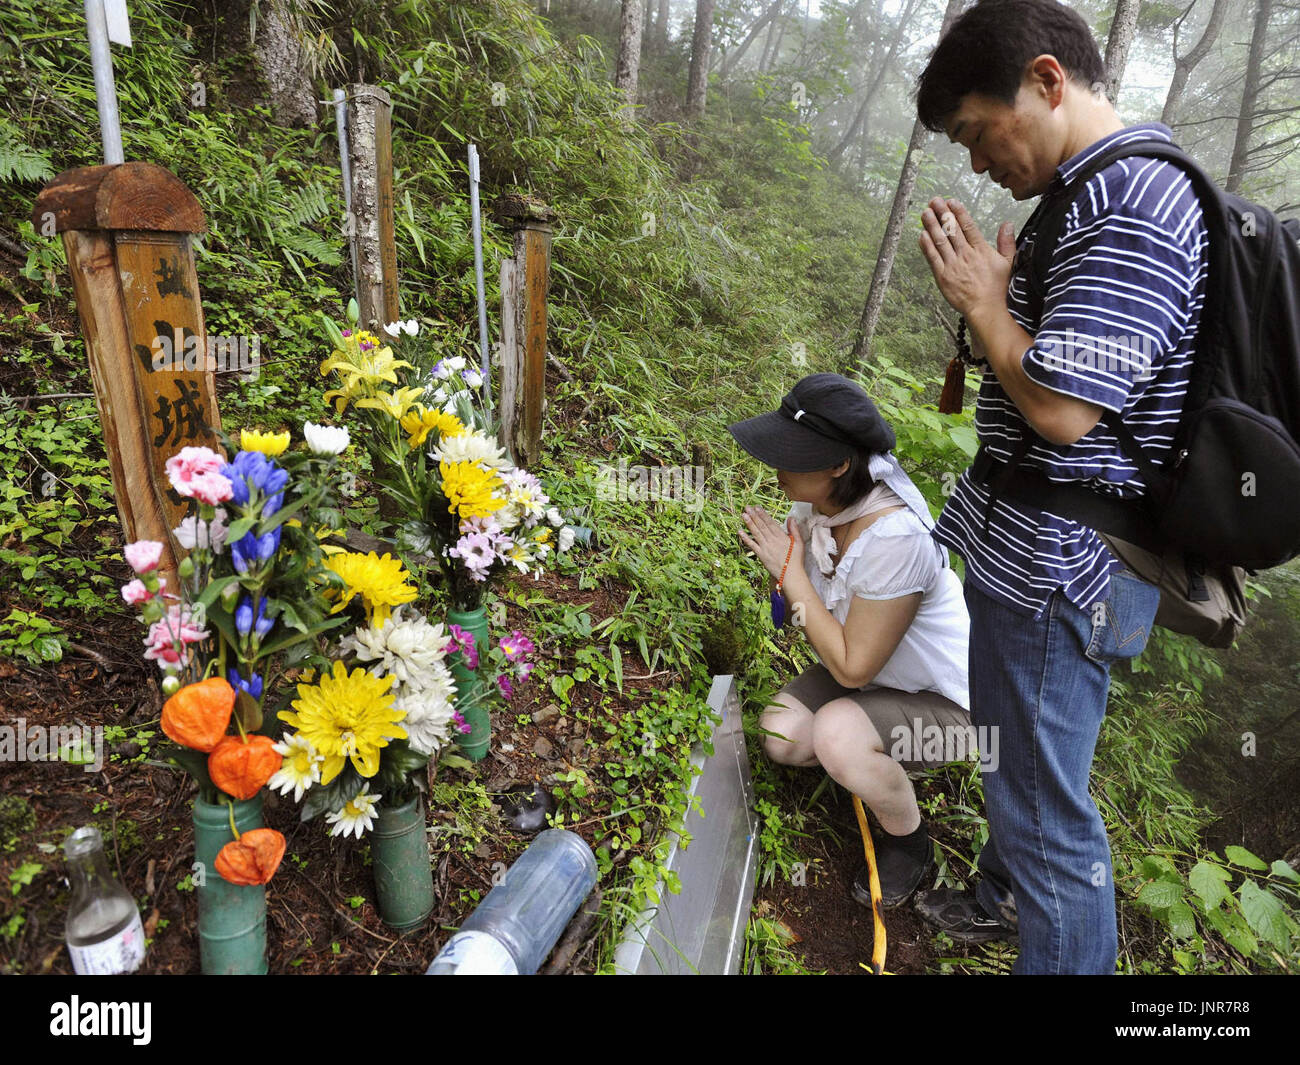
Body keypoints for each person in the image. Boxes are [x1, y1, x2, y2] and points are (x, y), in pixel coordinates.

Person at [912, 0, 1206, 973]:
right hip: (1031, 550)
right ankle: (1001, 900)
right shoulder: (1085, 199)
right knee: (1020, 775)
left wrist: (987, 306)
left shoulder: (1133, 199)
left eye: (974, 133)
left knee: (1049, 824)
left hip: (1062, 564)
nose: (974, 162)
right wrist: (1003, 302)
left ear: (1044, 83)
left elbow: (1063, 411)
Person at [728, 373, 971, 908]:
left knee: (836, 734)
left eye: (793, 457)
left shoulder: (896, 539)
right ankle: (864, 761)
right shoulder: (818, 510)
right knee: (781, 733)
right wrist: (787, 578)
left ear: (840, 465)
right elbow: (808, 621)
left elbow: (853, 670)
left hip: (949, 711)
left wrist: (790, 576)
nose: (778, 468)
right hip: (875, 676)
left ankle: (909, 839)